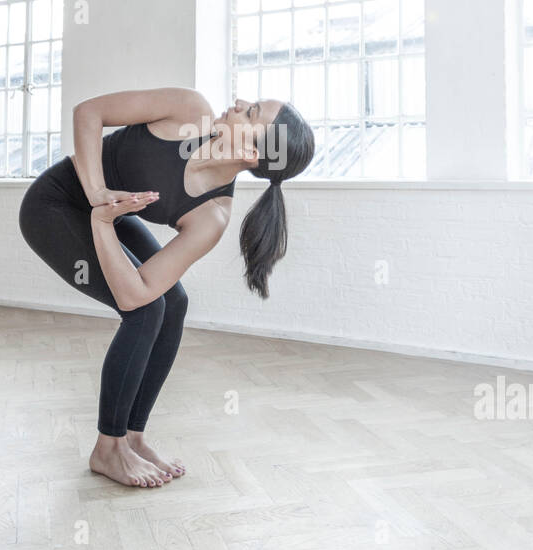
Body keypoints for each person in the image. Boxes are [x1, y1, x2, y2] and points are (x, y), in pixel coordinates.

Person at [18, 87, 315, 487]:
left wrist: (104, 220)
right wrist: (97, 197)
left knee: (170, 304)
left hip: (109, 215)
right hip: (53, 204)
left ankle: (132, 438)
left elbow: (136, 289)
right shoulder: (187, 108)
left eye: (252, 113)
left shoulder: (212, 215)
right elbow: (88, 110)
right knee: (145, 312)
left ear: (251, 155)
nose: (240, 103)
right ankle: (108, 448)